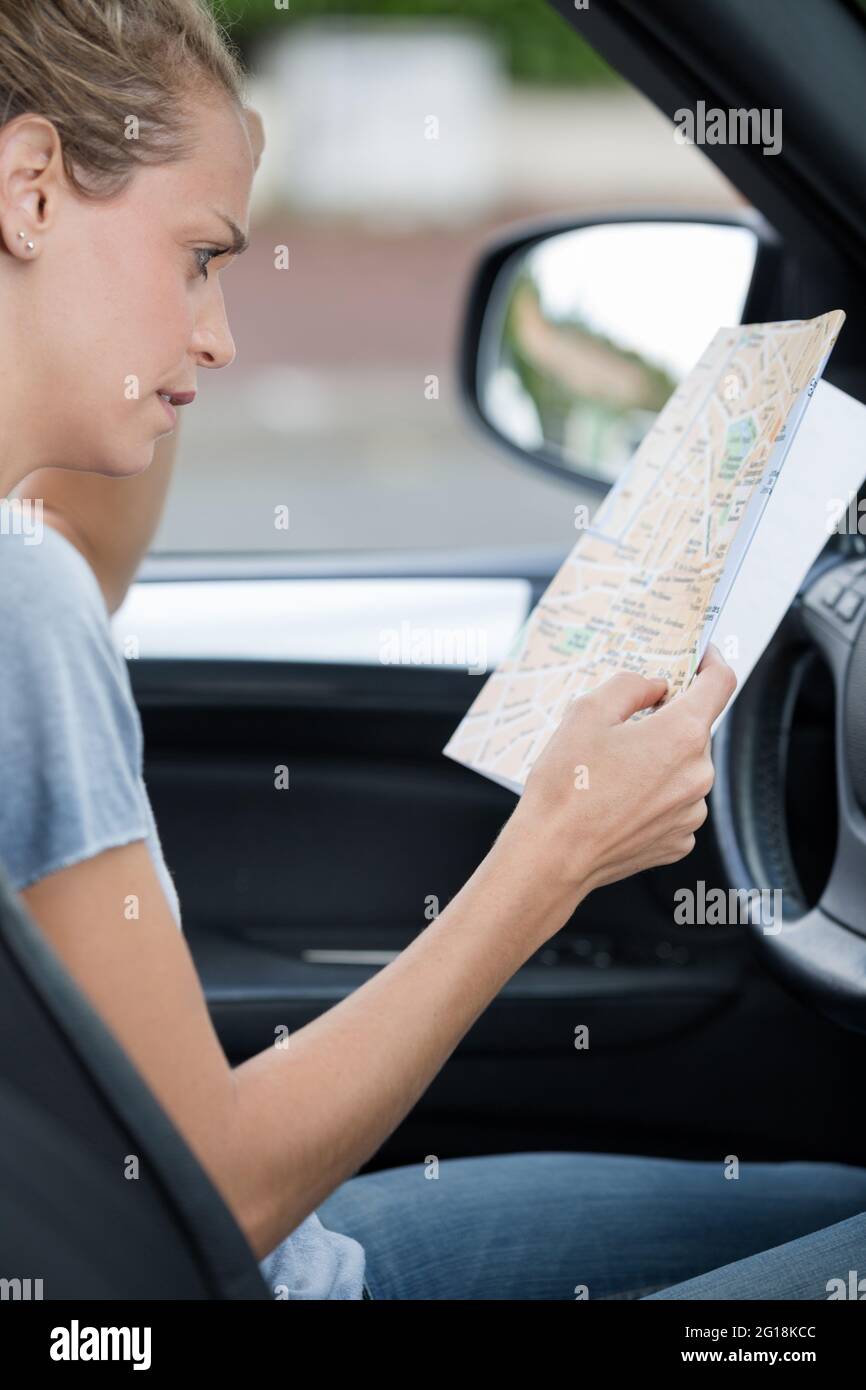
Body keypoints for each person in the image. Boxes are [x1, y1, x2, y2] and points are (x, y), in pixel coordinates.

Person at [1, 0, 865, 1301]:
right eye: (197, 256)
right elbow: (210, 1194)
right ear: (29, 190)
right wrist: (556, 849)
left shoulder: (35, 581)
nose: (221, 336)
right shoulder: (24, 605)